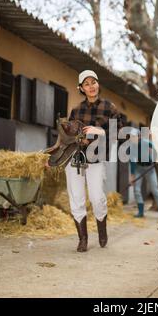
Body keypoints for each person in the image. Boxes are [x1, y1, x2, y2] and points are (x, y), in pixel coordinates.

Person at [65, 69, 123, 252]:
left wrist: (101, 131)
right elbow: (67, 135)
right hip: (75, 157)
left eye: (93, 82)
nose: (91, 86)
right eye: (86, 84)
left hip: (96, 158)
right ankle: (82, 239)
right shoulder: (76, 110)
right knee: (77, 199)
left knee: (97, 198)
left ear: (98, 84)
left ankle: (102, 229)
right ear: (81, 88)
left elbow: (120, 133)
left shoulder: (109, 107)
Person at [128, 128, 158, 218]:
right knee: (136, 190)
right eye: (131, 137)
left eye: (134, 136)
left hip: (149, 168)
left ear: (139, 136)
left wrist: (157, 158)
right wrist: (132, 176)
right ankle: (140, 212)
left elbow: (157, 148)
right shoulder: (131, 147)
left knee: (155, 190)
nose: (132, 138)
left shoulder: (146, 142)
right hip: (138, 168)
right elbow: (132, 162)